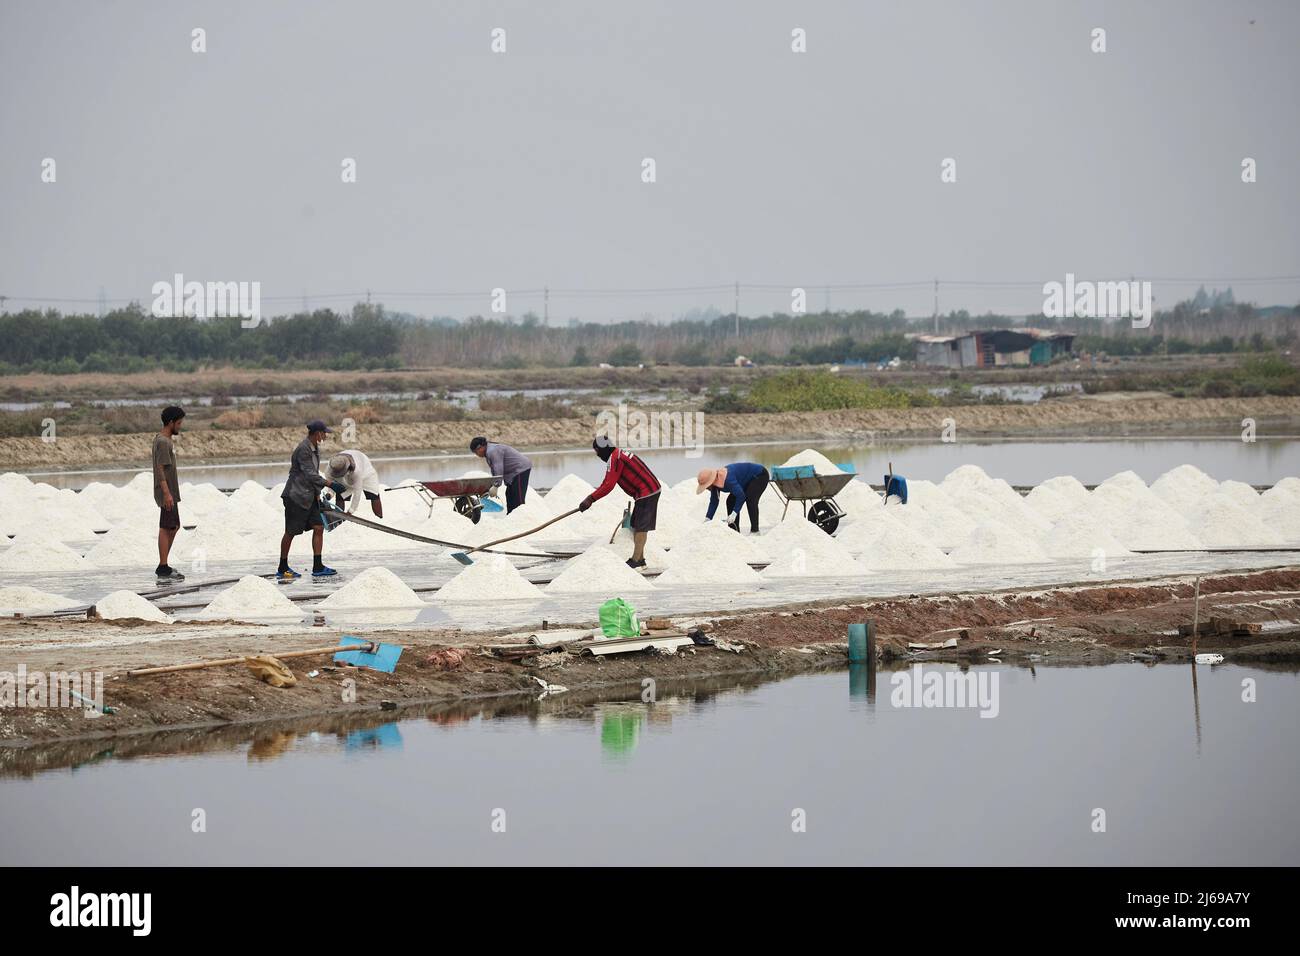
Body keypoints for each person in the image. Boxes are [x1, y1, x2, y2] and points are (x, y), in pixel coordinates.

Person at [579, 435, 661, 568]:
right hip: (647, 490)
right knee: (637, 525)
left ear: (602, 449)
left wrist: (590, 499)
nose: (597, 455)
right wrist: (590, 498)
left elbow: (608, 486)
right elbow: (607, 481)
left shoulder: (615, 458)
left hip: (647, 491)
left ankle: (636, 560)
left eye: (597, 451)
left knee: (641, 527)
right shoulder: (617, 455)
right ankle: (640, 558)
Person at [277, 419, 336, 580]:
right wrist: (329, 484)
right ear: (317, 434)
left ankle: (318, 566)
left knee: (318, 527)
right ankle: (282, 567)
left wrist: (318, 493)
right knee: (290, 532)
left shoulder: (315, 448)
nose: (326, 436)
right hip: (296, 496)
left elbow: (313, 474)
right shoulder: (303, 450)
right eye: (324, 433)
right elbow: (309, 474)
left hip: (309, 496)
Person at [153, 405, 186, 581]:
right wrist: (166, 494)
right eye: (179, 423)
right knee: (167, 527)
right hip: (167, 492)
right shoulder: (163, 442)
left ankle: (163, 564)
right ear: (171, 422)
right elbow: (160, 469)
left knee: (173, 526)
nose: (180, 426)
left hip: (170, 491)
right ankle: (163, 567)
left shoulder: (163, 440)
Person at [697, 462, 770, 534]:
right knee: (730, 501)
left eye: (706, 486)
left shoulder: (728, 479)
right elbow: (714, 501)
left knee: (750, 499)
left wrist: (734, 513)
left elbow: (741, 496)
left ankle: (755, 531)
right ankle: (734, 531)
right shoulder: (714, 485)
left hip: (759, 475)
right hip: (744, 481)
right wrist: (708, 518)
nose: (706, 489)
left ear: (711, 481)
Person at [470, 437, 532, 513]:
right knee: (509, 496)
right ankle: (511, 517)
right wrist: (490, 486)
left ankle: (522, 517)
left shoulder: (493, 451)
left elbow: (498, 469)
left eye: (476, 452)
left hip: (520, 469)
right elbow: (494, 472)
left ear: (480, 447)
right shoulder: (489, 452)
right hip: (512, 473)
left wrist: (496, 485)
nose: (477, 455)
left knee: (517, 498)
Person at [326, 449, 383, 518]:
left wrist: (351, 511)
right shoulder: (331, 467)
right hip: (343, 471)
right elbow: (331, 483)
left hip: (365, 472)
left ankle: (379, 518)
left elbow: (357, 492)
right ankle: (338, 520)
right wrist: (330, 494)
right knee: (340, 494)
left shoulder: (357, 471)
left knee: (374, 495)